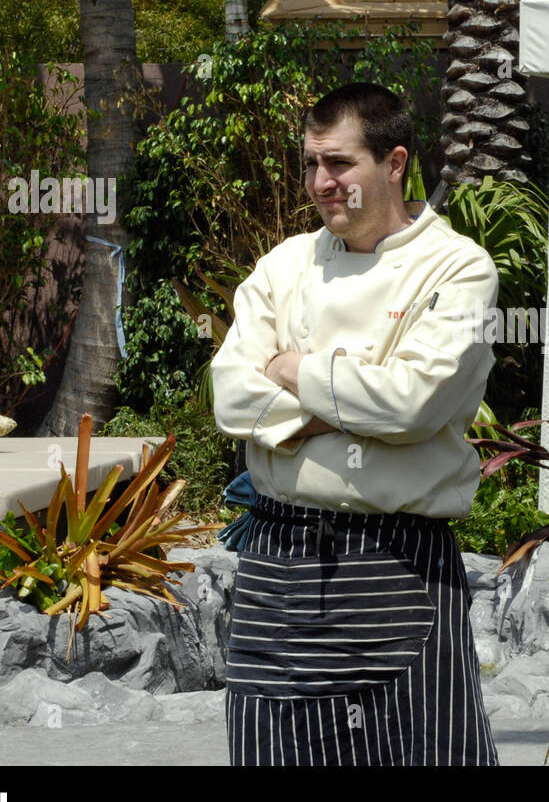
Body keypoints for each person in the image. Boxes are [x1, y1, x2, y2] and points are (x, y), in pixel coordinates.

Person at [210, 82, 500, 766]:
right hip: (276, 560)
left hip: (399, 561)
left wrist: (294, 371)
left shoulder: (458, 269)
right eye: (310, 163)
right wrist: (351, 395)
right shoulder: (284, 266)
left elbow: (413, 404)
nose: (320, 182)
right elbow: (229, 397)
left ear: (394, 163)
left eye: (338, 163)